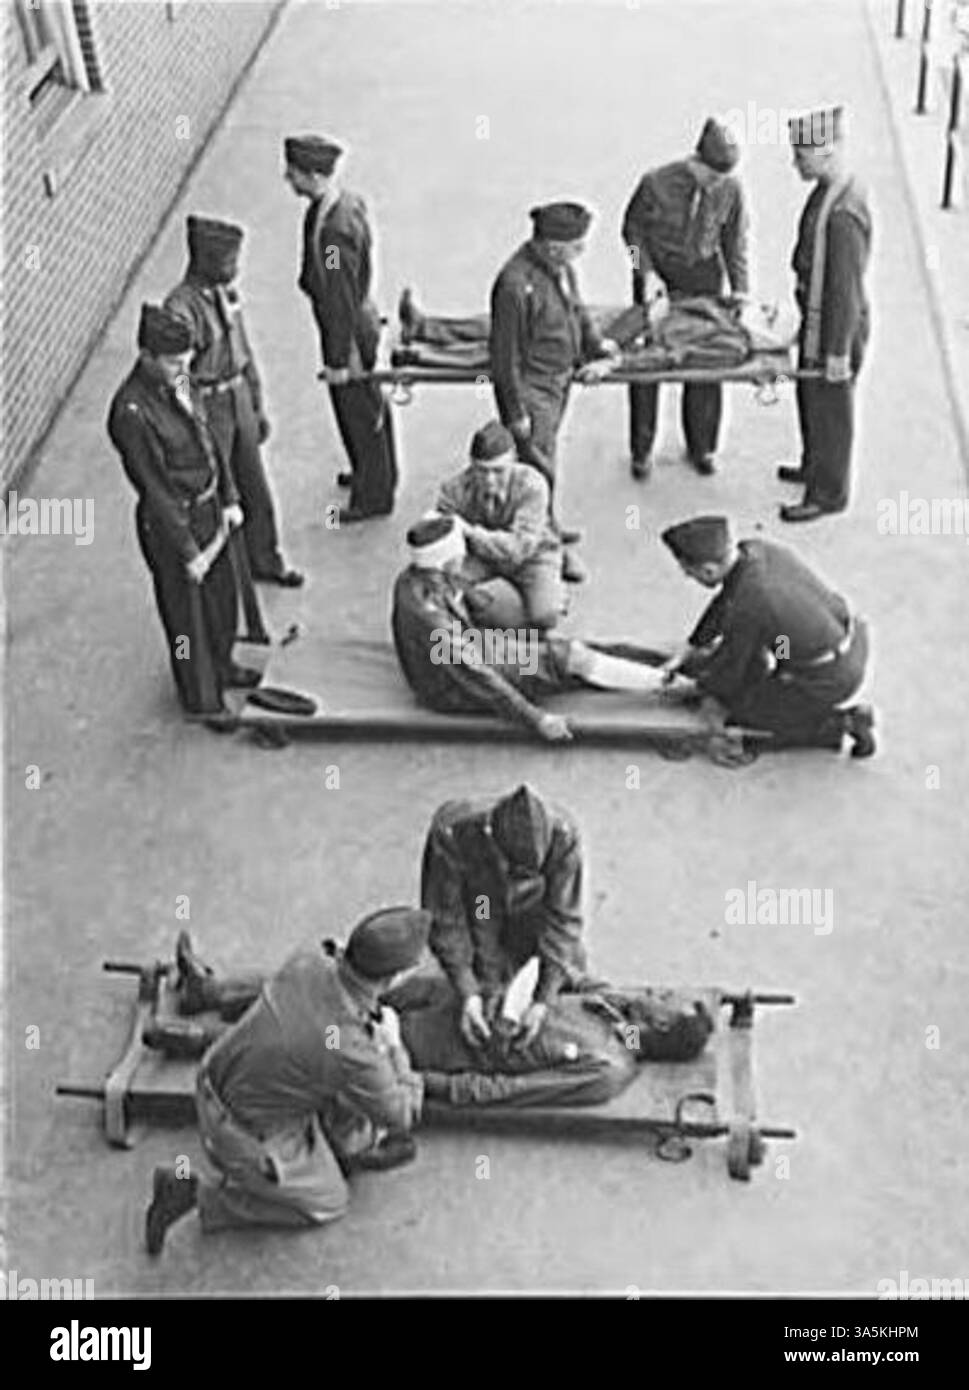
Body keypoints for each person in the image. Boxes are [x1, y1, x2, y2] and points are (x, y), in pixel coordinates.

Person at [162, 928, 714, 1111]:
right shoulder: (614, 1003)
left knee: (327, 1033)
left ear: (662, 1031)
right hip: (456, 999)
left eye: (666, 999)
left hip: (438, 1047)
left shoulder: (607, 1067)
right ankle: (211, 990)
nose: (657, 991)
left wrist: (416, 1082)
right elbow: (559, 966)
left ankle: (197, 1039)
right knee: (341, 978)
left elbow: (505, 1091)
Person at [144, 907, 431, 1255]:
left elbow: (292, 1000)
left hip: (218, 1074)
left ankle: (207, 993)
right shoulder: (351, 1046)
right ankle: (199, 1196)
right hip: (242, 1133)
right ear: (395, 978)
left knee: (322, 1069)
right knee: (329, 1201)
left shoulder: (310, 959)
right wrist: (395, 1047)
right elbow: (400, 1115)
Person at [390, 516, 670, 742]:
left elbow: (460, 597)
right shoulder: (431, 617)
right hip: (449, 685)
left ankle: (662, 666)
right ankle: (671, 685)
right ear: (448, 561)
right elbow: (474, 673)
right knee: (570, 658)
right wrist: (537, 719)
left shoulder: (415, 579)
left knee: (569, 652)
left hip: (467, 649)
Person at [107, 304, 257, 719]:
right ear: (146, 356)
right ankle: (202, 699)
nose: (182, 367)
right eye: (173, 361)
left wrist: (228, 496)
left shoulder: (181, 381)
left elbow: (209, 442)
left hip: (210, 510)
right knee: (186, 619)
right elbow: (155, 488)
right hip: (173, 525)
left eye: (186, 359)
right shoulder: (131, 412)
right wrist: (189, 550)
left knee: (221, 601)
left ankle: (223, 665)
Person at [659, 515, 876, 755]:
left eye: (688, 571)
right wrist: (693, 645)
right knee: (768, 647)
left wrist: (696, 688)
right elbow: (725, 602)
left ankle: (844, 724)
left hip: (829, 676)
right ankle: (781, 679)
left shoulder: (752, 602)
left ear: (709, 570)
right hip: (828, 639)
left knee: (741, 716)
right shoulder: (755, 551)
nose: (687, 576)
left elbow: (730, 670)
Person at [163, 216, 302, 585]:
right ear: (206, 260)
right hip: (210, 405)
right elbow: (179, 376)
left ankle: (265, 560)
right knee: (219, 494)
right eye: (228, 261)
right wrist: (195, 427)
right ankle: (221, 575)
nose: (236, 268)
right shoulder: (180, 309)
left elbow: (243, 348)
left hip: (236, 394)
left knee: (255, 487)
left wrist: (255, 401)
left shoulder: (225, 293)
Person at [621, 116, 750, 480]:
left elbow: (735, 241)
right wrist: (644, 272)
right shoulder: (655, 183)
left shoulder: (731, 189)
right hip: (659, 277)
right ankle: (642, 449)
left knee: (707, 362)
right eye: (711, 176)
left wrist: (740, 290)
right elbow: (630, 234)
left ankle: (702, 446)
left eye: (723, 178)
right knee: (647, 364)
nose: (716, 185)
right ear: (696, 162)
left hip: (705, 278)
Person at [283, 134, 398, 523]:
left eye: (294, 173)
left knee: (360, 414)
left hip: (347, 334)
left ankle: (374, 494)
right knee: (364, 410)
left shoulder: (333, 233)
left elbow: (338, 295)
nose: (288, 178)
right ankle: (371, 474)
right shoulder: (344, 203)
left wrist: (337, 359)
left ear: (314, 176)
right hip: (354, 322)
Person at [489, 201, 620, 539]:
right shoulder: (514, 285)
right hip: (534, 389)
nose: (582, 251)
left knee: (545, 461)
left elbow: (576, 311)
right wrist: (515, 413)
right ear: (553, 246)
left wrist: (596, 345)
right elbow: (504, 358)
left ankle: (544, 528)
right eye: (577, 245)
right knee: (538, 470)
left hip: (557, 381)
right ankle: (542, 542)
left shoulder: (561, 269)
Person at [777, 106, 871, 522]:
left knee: (832, 411)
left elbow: (844, 289)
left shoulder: (843, 215)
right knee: (811, 400)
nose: (795, 163)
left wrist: (836, 350)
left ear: (827, 152)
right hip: (818, 319)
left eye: (802, 156)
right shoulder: (830, 191)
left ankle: (829, 492)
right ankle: (814, 465)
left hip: (835, 329)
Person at [434, 420, 572, 632]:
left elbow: (519, 548)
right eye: (481, 470)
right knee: (440, 587)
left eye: (498, 471)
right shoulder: (453, 490)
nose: (490, 480)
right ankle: (478, 605)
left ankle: (557, 571)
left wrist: (470, 532)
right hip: (481, 557)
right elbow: (442, 542)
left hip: (531, 556)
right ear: (471, 465)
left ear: (514, 462)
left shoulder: (532, 485)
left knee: (545, 617)